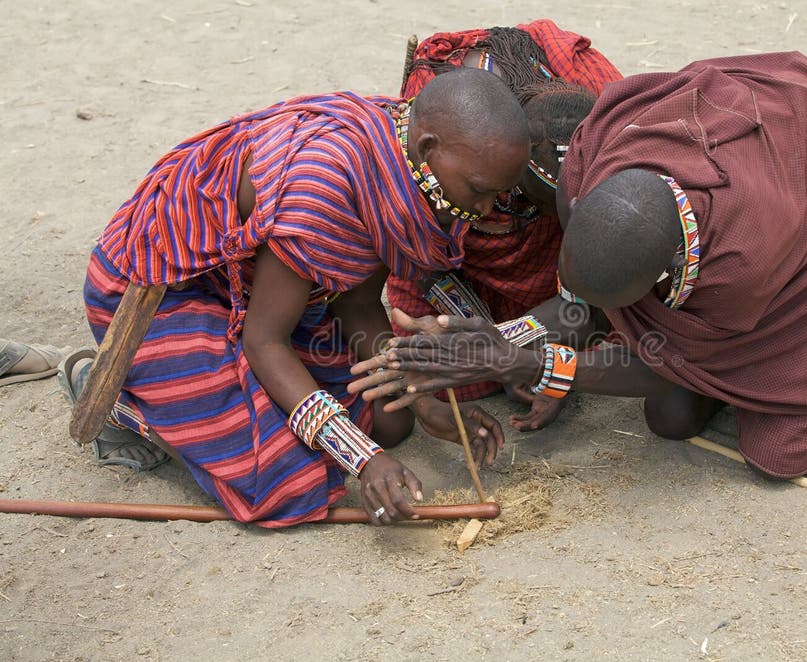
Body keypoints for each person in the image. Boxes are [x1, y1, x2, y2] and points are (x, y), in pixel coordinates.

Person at [351, 51, 807, 479]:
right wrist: (499, 340)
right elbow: (583, 308)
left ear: (664, 277)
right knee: (672, 419)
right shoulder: (589, 163)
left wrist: (530, 360)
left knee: (779, 448)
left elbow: (669, 361)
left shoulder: (743, 260)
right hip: (769, 111)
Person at [60, 68, 528, 527]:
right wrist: (363, 461)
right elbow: (264, 342)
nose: (483, 210)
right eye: (479, 191)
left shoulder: (399, 166)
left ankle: (192, 400)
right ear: (429, 149)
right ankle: (123, 395)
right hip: (159, 293)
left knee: (390, 420)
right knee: (287, 483)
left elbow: (357, 304)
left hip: (253, 294)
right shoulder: (327, 185)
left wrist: (423, 404)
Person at [385, 20, 620, 412]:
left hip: (553, 271)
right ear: (513, 175)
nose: (487, 209)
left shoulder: (598, 94)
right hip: (462, 264)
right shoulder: (443, 106)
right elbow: (420, 241)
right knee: (436, 373)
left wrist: (531, 364)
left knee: (614, 326)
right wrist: (501, 352)